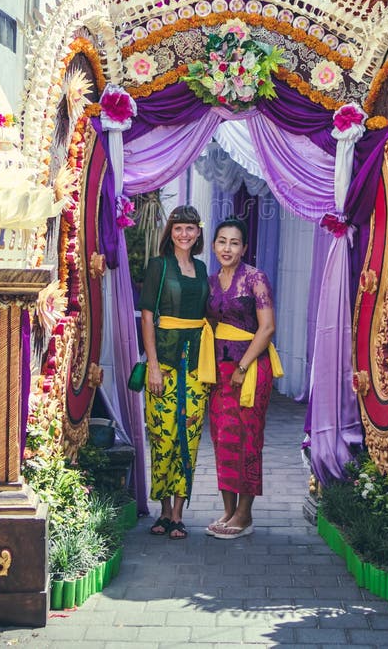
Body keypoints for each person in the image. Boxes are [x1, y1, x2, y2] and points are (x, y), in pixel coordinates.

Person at [139, 205, 213, 540]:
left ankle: (180, 514)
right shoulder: (159, 266)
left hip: (196, 366)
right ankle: (164, 510)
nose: (184, 234)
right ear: (171, 232)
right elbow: (147, 317)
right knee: (162, 436)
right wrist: (152, 365)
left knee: (189, 439)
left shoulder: (201, 268)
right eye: (178, 228)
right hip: (164, 367)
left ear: (198, 233)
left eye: (190, 229)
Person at [206, 217, 281, 539]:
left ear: (244, 248)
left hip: (250, 369)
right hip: (218, 371)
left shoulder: (255, 279)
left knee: (249, 438)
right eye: (222, 241)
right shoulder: (210, 282)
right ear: (213, 245)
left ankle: (245, 514)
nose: (227, 248)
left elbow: (267, 327)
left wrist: (243, 366)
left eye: (234, 242)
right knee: (223, 438)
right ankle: (227, 510)